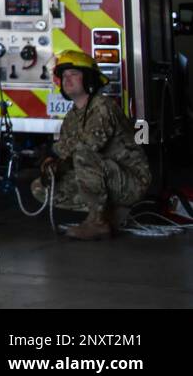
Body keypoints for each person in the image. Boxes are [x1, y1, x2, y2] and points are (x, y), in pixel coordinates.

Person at [31, 50, 151, 240]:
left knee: (83, 155)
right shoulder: (72, 116)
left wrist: (54, 150)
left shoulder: (103, 105)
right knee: (41, 187)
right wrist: (54, 167)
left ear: (88, 79)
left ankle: (98, 223)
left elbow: (89, 146)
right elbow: (69, 157)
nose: (67, 80)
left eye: (74, 74)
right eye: (63, 76)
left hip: (131, 181)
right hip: (106, 177)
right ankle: (110, 212)